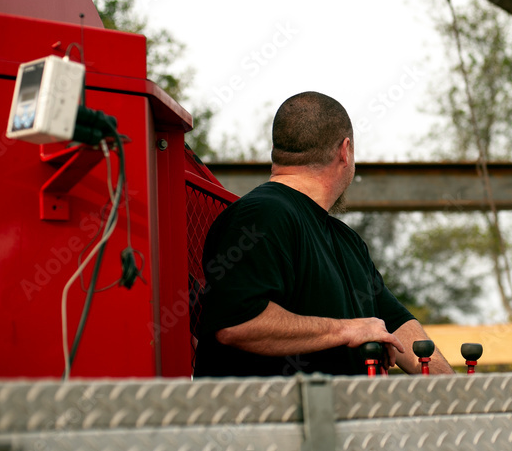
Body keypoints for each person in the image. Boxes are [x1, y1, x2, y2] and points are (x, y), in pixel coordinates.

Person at [194, 91, 453, 377]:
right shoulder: (262, 213)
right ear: (345, 150)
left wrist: (453, 391)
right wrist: (347, 329)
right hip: (271, 419)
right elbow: (236, 322)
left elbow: (395, 324)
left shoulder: (348, 241)